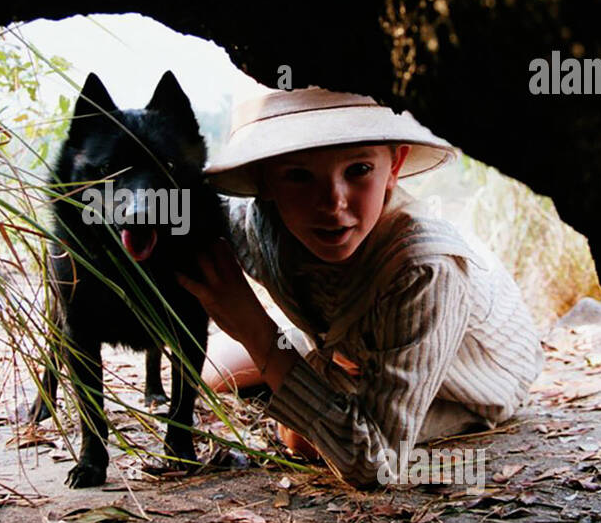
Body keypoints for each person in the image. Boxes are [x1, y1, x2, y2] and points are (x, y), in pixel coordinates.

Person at [175, 87, 544, 487]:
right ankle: (326, 382)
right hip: (350, 349)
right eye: (299, 175)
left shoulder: (424, 269)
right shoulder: (259, 225)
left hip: (468, 376)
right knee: (215, 371)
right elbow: (179, 215)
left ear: (395, 164)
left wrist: (256, 331)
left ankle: (331, 393)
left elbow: (374, 463)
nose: (333, 203)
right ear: (263, 181)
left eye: (359, 170)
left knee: (305, 440)